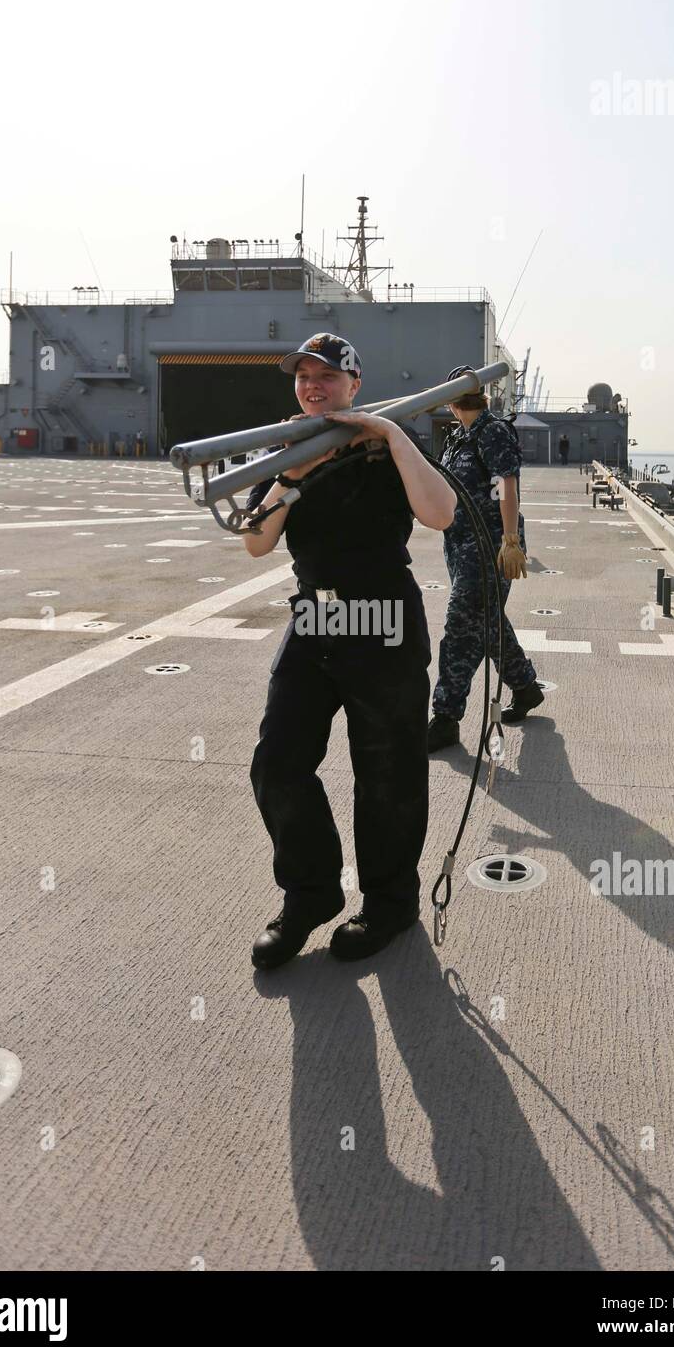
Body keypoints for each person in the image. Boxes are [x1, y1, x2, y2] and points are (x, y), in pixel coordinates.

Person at [242, 333, 456, 970]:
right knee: (277, 762)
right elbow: (255, 544)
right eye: (303, 376)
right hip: (316, 616)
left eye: (327, 377)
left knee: (387, 775)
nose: (313, 386)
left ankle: (390, 903)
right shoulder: (288, 450)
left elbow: (440, 514)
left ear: (354, 385)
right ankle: (309, 894)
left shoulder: (389, 445)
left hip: (384, 618)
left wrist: (391, 437)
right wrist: (291, 476)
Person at [427, 366, 545, 753]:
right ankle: (525, 686)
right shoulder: (458, 436)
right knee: (487, 620)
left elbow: (507, 484)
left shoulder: (491, 430)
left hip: (490, 545)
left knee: (461, 626)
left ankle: (445, 717)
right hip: (460, 545)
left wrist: (511, 540)